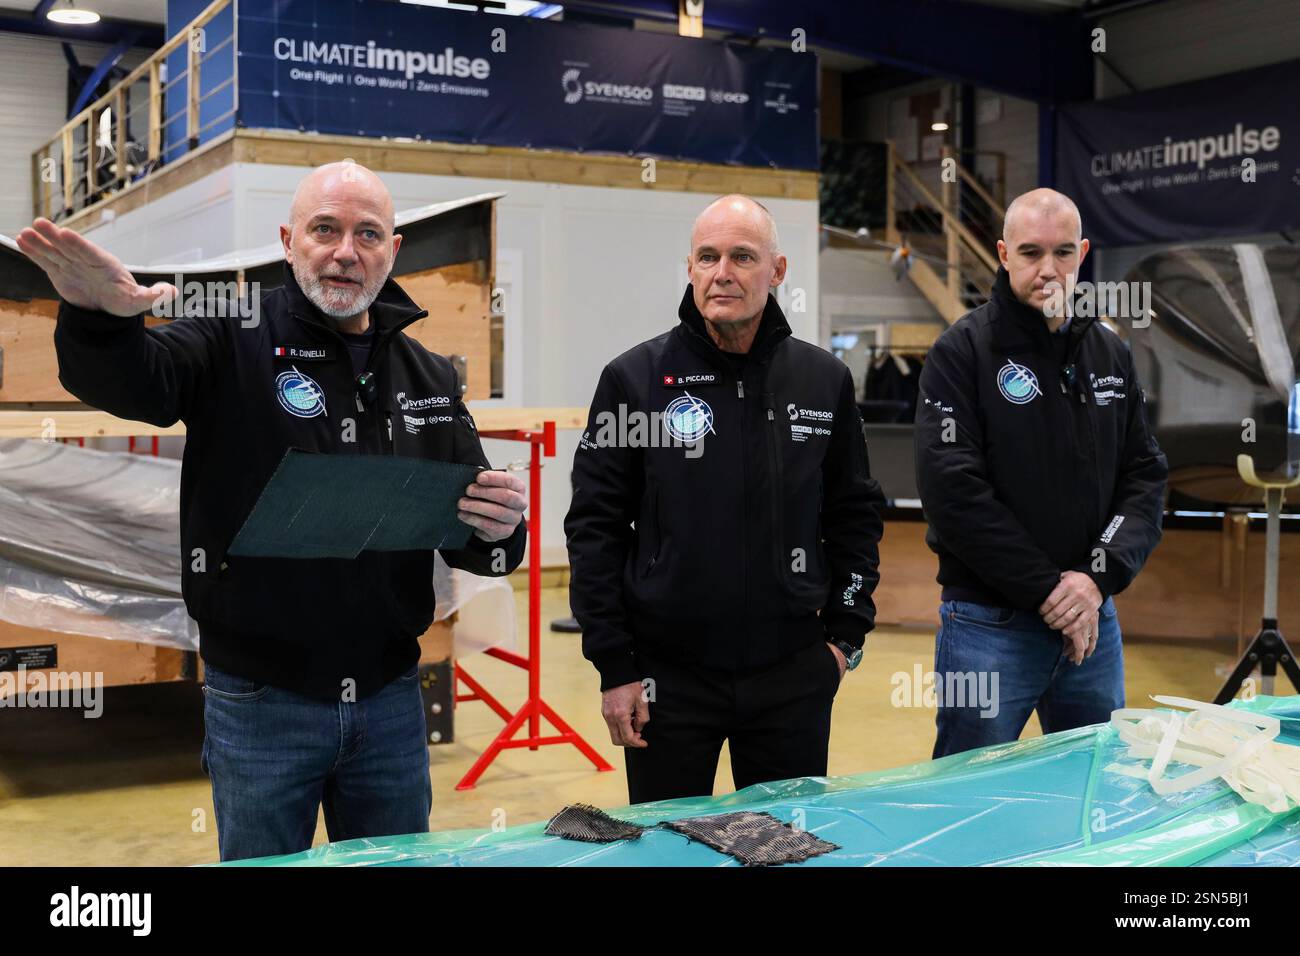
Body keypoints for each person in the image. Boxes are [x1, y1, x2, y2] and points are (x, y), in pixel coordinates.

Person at [18, 161, 527, 861]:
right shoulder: (230, 338)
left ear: (393, 251)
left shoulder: (427, 374)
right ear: (289, 240)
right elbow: (142, 383)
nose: (346, 250)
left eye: (368, 233)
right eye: (326, 229)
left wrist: (504, 531)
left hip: (390, 701)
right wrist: (99, 322)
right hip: (262, 706)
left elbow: (476, 542)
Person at [565, 194, 885, 803]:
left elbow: (854, 513)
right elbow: (595, 526)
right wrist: (616, 665)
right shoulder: (633, 380)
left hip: (791, 672)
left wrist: (843, 639)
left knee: (784, 848)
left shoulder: (822, 381)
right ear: (689, 267)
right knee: (666, 852)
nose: (723, 273)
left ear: (778, 270)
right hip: (666, 681)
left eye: (743, 256)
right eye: (707, 257)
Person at [914, 187, 1168, 758]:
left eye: (1061, 253)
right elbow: (954, 493)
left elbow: (1144, 475)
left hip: (1093, 623)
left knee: (1094, 794)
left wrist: (1093, 579)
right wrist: (1052, 590)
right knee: (966, 801)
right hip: (988, 627)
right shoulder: (961, 354)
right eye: (1030, 253)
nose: (1047, 270)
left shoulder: (1109, 354)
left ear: (1083, 253)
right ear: (1003, 255)